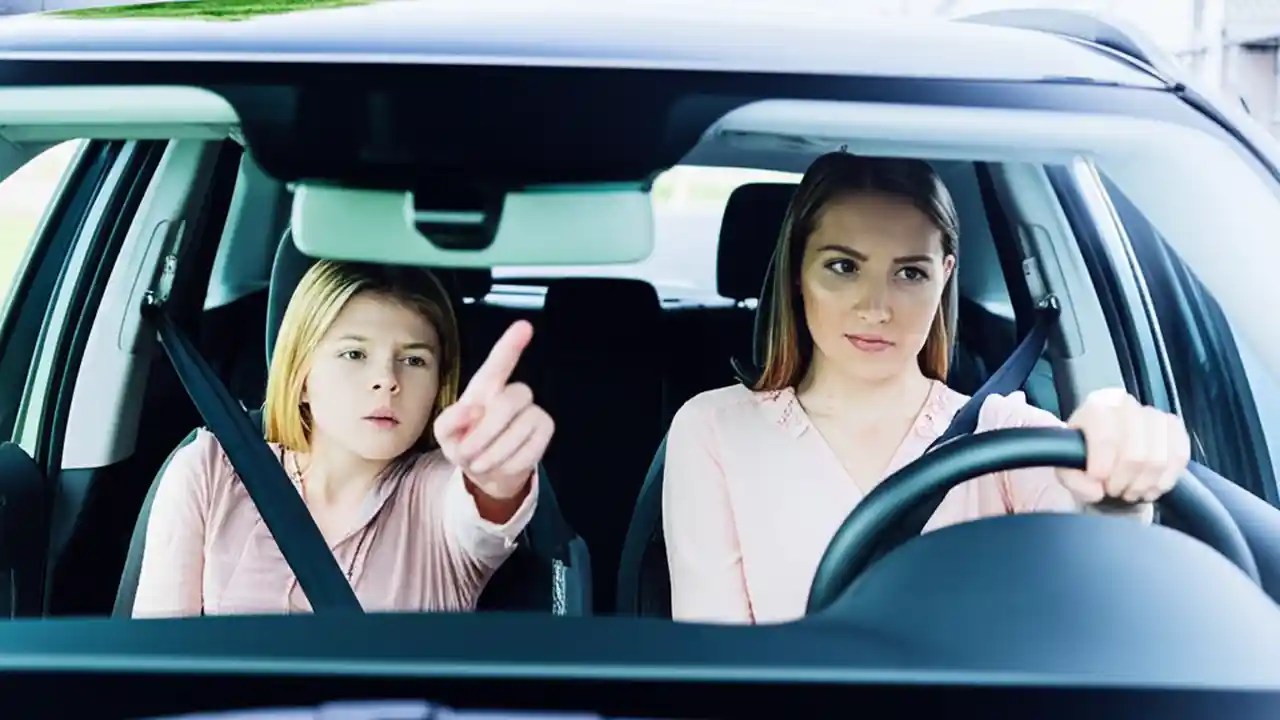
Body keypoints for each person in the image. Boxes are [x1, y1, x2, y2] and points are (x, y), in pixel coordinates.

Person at [662, 152, 1192, 625]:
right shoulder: (715, 429)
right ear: (798, 274)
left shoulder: (1003, 433)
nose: (876, 307)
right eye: (843, 267)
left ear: (945, 275)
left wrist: (1115, 459)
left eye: (910, 273)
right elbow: (717, 668)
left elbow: (1093, 559)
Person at [132, 260, 553, 617]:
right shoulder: (210, 470)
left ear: (436, 388)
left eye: (413, 360)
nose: (387, 381)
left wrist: (495, 478)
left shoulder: (436, 494)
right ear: (300, 377)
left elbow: (480, 507)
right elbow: (157, 665)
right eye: (354, 354)